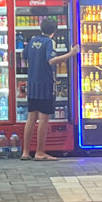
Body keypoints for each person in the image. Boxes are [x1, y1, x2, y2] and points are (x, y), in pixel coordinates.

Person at [22, 17, 79, 162]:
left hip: (32, 84)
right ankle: (40, 152)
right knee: (43, 119)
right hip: (45, 85)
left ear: (41, 28)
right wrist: (71, 54)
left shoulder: (33, 40)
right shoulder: (49, 42)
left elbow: (24, 55)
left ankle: (25, 152)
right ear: (54, 31)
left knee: (31, 118)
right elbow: (51, 60)